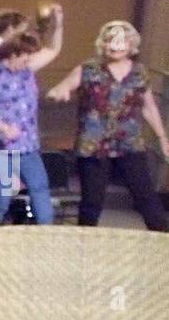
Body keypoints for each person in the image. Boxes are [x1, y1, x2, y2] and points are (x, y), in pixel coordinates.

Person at [45, 20, 169, 232]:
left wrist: (162, 138)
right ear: (103, 44)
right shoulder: (88, 69)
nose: (117, 46)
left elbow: (149, 108)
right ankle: (84, 250)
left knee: (147, 199)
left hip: (129, 142)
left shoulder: (140, 73)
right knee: (92, 204)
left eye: (122, 42)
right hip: (93, 144)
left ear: (131, 45)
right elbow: (58, 90)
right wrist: (58, 94)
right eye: (112, 41)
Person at [0, 10, 64, 264]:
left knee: (40, 190)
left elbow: (54, 49)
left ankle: (46, 245)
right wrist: (0, 125)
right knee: (0, 198)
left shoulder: (27, 72)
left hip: (27, 146)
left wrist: (58, 23)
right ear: (12, 56)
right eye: (24, 58)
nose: (28, 63)